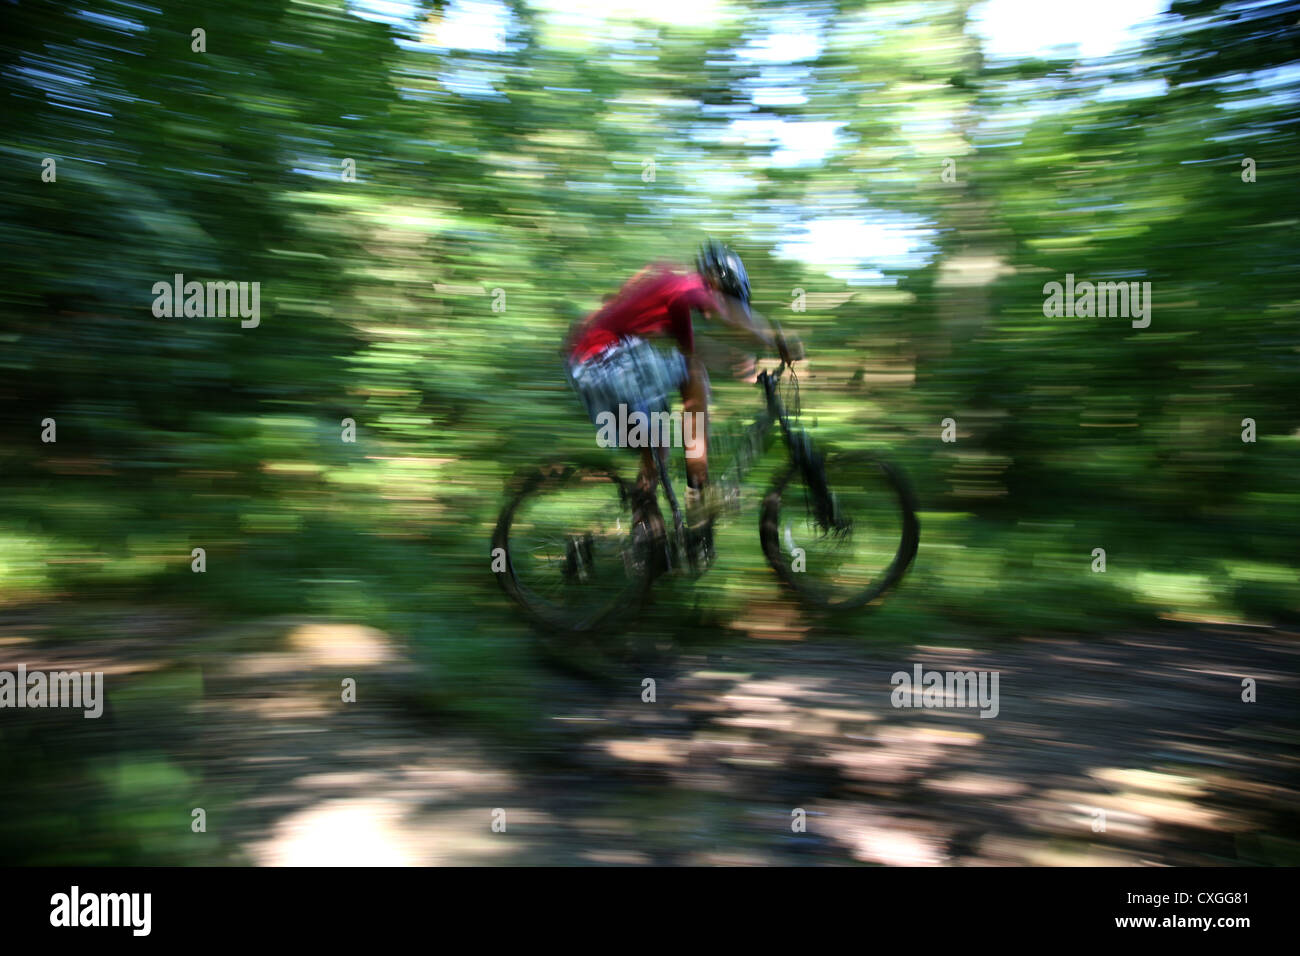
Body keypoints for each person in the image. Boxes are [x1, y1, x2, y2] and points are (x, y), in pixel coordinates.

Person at [564, 240, 798, 565]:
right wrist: (776, 338)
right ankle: (698, 492)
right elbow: (721, 320)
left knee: (657, 446)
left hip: (596, 366)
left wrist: (744, 362)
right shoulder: (690, 283)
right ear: (716, 280)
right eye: (726, 296)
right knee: (692, 372)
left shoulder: (675, 304)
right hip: (601, 360)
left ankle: (644, 541)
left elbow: (692, 350)